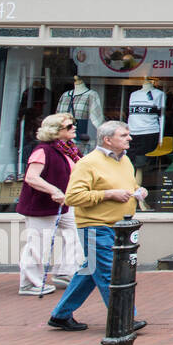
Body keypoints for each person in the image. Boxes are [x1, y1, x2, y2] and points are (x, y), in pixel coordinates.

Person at [47, 121, 147, 332]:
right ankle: (125, 317)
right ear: (107, 140)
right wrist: (109, 195)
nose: (129, 138)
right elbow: (73, 196)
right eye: (124, 135)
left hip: (120, 227)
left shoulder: (125, 160)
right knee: (109, 273)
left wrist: (139, 191)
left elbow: (129, 185)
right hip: (95, 226)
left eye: (129, 134)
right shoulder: (88, 163)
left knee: (89, 271)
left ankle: (60, 315)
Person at [17, 114, 84, 296]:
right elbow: (31, 177)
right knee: (38, 244)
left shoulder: (70, 150)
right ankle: (29, 283)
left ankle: (65, 272)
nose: (74, 128)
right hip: (41, 206)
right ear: (56, 131)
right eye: (69, 126)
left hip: (64, 204)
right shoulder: (43, 150)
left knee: (76, 235)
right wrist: (53, 190)